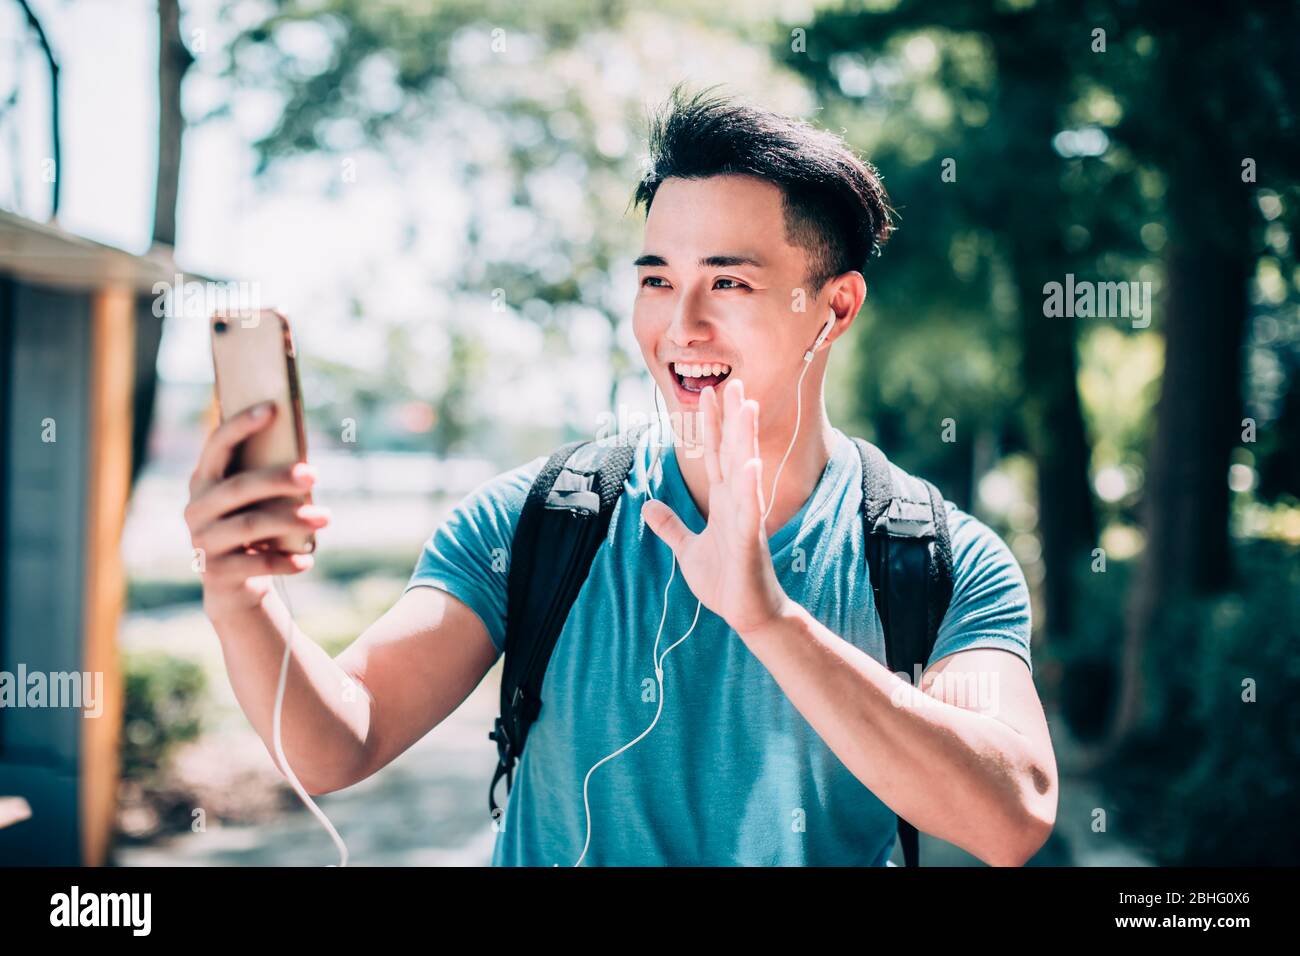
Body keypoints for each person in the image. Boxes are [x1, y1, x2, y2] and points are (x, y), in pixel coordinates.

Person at [185, 88, 1058, 867]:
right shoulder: (540, 519)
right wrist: (241, 598)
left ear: (833, 308)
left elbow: (1011, 817)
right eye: (657, 279)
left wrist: (769, 620)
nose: (680, 325)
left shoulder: (934, 556)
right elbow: (341, 741)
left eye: (728, 282)